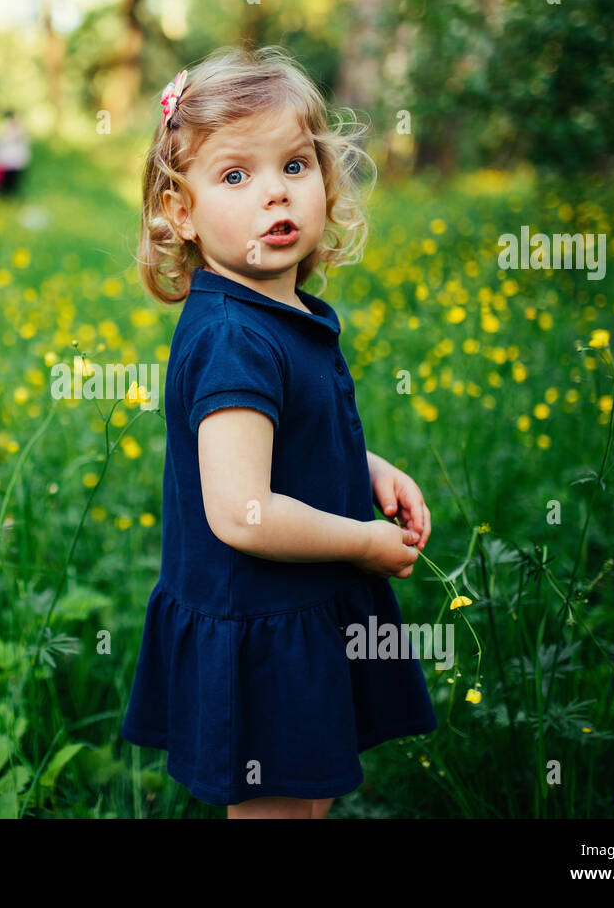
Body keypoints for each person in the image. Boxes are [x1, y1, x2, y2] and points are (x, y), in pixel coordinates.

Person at [121, 45, 438, 819]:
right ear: (180, 211)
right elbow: (240, 510)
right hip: (261, 627)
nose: (274, 194)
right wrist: (363, 542)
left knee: (310, 793)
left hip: (295, 611)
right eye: (235, 175)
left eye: (294, 165)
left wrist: (362, 466)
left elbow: (284, 433)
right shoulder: (237, 338)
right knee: (278, 808)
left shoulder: (274, 311)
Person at [0, 110, 30, 195]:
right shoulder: (3, 129)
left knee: (14, 184)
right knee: (4, 184)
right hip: (5, 162)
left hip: (17, 162)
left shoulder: (20, 129)